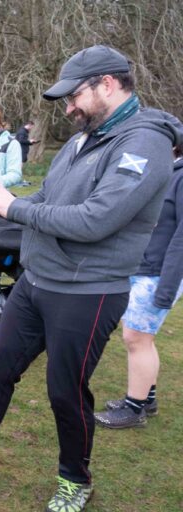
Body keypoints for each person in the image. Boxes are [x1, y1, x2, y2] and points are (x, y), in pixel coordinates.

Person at [0, 45, 182, 512]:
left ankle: (75, 480)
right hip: (37, 279)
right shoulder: (84, 139)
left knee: (65, 390)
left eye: (74, 96)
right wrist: (7, 200)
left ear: (107, 84)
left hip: (88, 291)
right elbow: (47, 196)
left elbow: (96, 219)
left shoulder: (144, 144)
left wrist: (15, 209)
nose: (68, 108)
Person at [95, 141, 183, 429]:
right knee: (141, 338)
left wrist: (167, 288)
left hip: (158, 275)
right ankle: (147, 398)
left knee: (137, 339)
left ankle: (134, 410)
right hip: (143, 268)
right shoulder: (168, 171)